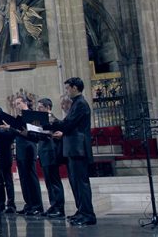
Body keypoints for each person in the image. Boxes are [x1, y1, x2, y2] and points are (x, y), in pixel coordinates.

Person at [47, 77, 96, 226]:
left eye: (68, 88)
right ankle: (81, 211)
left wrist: (52, 120)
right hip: (73, 148)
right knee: (75, 183)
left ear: (75, 88)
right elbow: (68, 125)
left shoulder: (80, 103)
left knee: (81, 183)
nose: (67, 91)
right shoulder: (76, 103)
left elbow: (68, 125)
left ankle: (88, 214)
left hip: (78, 148)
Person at [11, 96, 43, 216]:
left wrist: (23, 132)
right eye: (16, 104)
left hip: (29, 148)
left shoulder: (32, 115)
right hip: (21, 150)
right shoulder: (19, 118)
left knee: (31, 178)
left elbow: (36, 134)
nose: (17, 106)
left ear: (25, 103)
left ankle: (37, 206)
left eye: (18, 103)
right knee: (24, 178)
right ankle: (28, 204)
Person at [36, 98, 65, 218]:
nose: (38, 110)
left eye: (40, 107)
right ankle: (53, 205)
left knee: (54, 181)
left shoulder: (53, 119)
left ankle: (59, 208)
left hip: (51, 152)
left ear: (48, 107)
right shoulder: (40, 121)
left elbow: (58, 133)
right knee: (48, 182)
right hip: (44, 153)